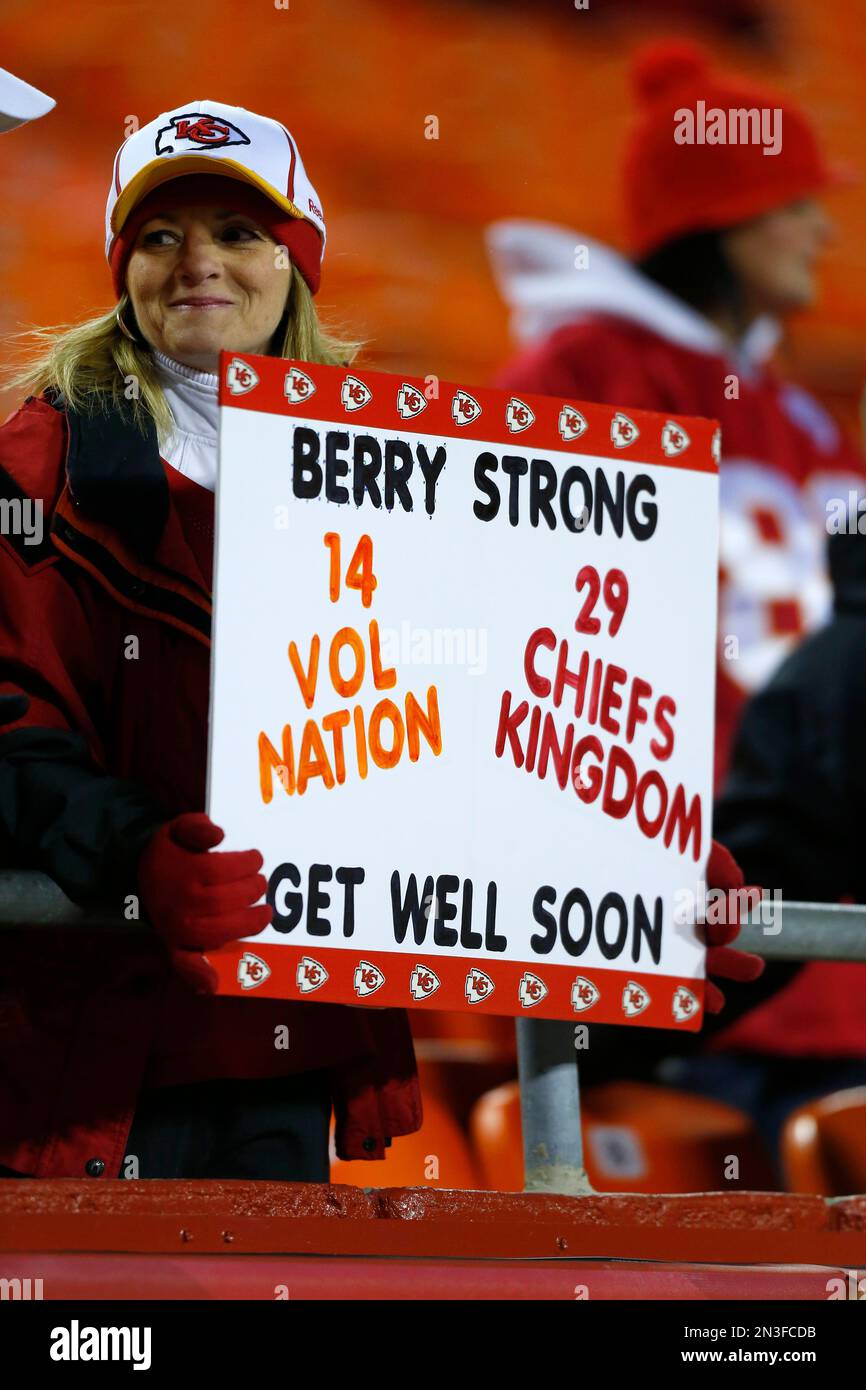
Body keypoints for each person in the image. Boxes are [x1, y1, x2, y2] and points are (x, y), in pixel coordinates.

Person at [0, 99, 421, 1181]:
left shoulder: (398, 475)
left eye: (239, 233)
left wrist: (617, 855)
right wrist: (134, 852)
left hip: (283, 1035)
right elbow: (10, 725)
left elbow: (466, 720)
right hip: (78, 1045)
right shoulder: (34, 465)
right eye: (160, 234)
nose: (200, 263)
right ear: (121, 264)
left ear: (298, 262)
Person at [490, 39, 864, 791]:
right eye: (797, 203)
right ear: (724, 216)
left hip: (808, 825)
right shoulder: (582, 374)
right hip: (639, 813)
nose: (825, 232)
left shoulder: (801, 415)